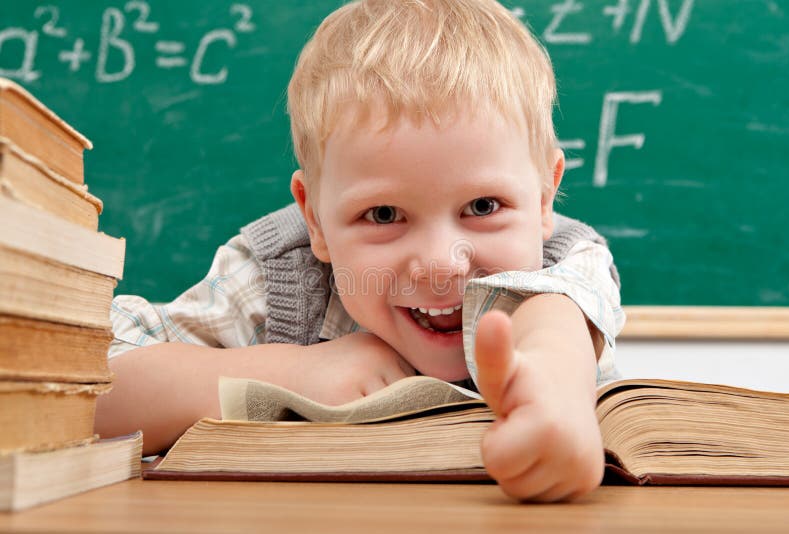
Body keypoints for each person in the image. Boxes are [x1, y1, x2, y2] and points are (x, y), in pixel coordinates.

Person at [96, 0, 625, 502]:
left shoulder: (567, 260)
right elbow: (84, 384)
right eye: (384, 215)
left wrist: (554, 398)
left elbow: (554, 323)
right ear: (316, 219)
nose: (441, 263)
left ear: (543, 198)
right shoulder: (282, 275)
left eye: (483, 206)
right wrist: (290, 374)